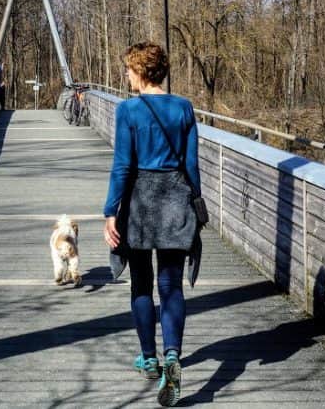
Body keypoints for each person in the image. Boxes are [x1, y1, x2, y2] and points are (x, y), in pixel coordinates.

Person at [103, 41, 200, 407]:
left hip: (140, 203)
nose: (127, 75)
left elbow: (122, 166)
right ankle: (172, 355)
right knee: (171, 285)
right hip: (176, 200)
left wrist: (110, 210)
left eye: (129, 69)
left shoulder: (128, 110)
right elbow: (191, 166)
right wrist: (195, 207)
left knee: (141, 283)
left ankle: (149, 358)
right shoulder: (183, 107)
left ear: (141, 72)